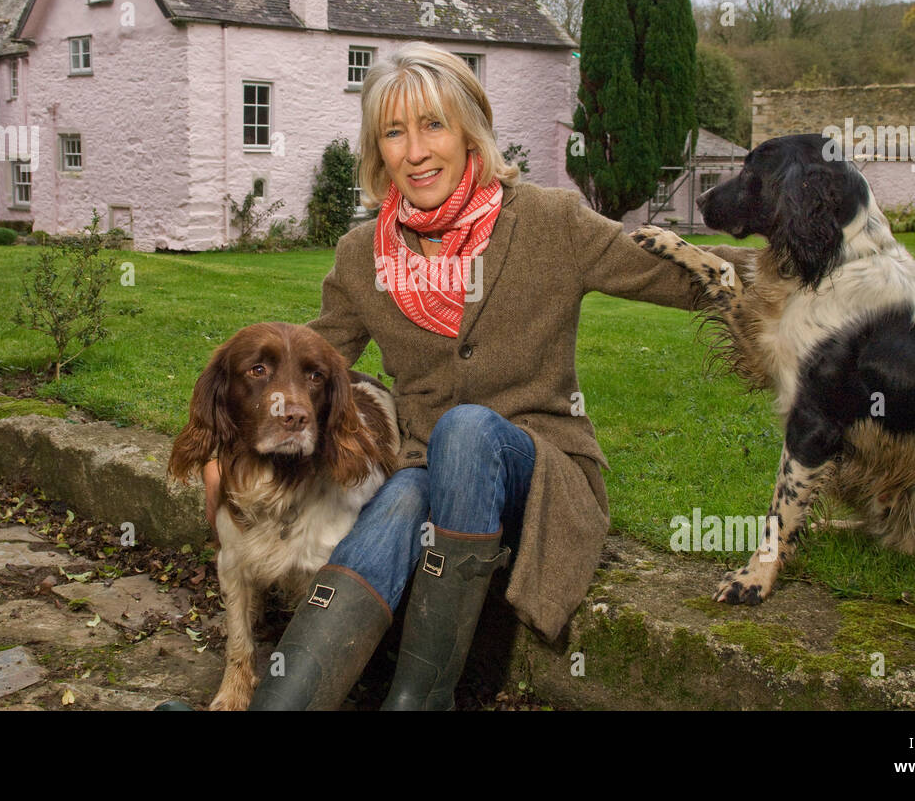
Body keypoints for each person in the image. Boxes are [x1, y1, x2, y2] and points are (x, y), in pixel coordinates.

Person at [222, 42, 755, 710]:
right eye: (394, 131)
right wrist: (231, 439)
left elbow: (674, 271)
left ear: (470, 133)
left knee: (466, 430)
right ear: (376, 149)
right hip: (425, 472)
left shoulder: (548, 221)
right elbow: (310, 362)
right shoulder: (362, 256)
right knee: (396, 506)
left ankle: (420, 702)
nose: (414, 150)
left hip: (540, 468)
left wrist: (815, 273)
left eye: (433, 125)